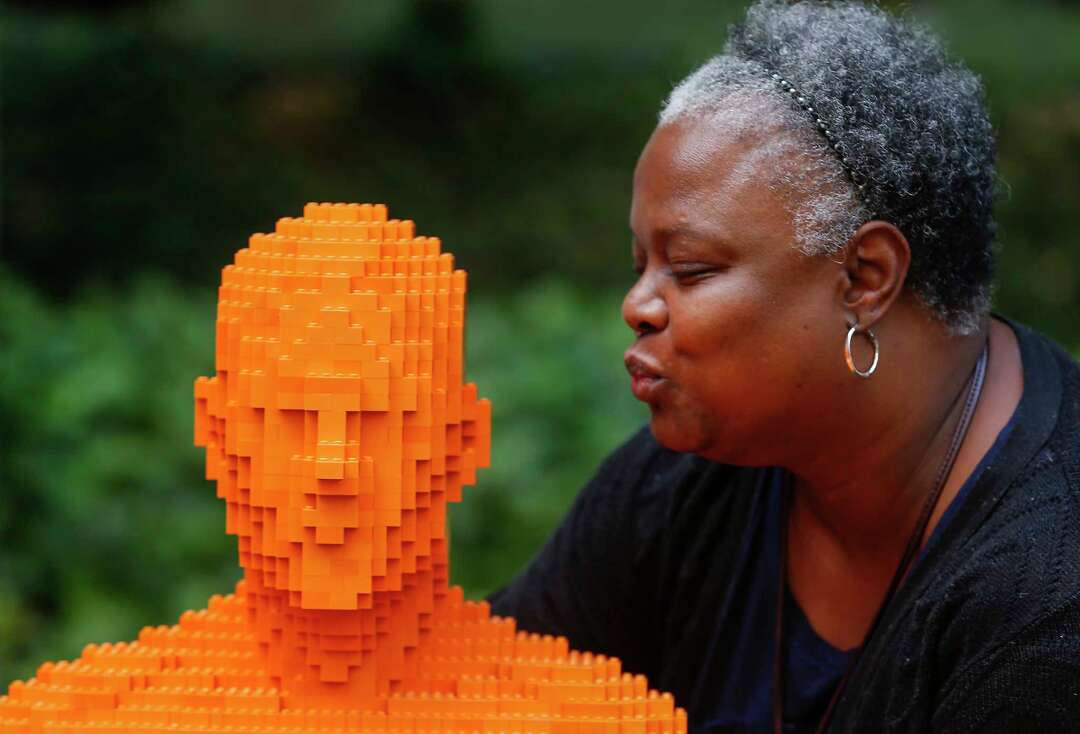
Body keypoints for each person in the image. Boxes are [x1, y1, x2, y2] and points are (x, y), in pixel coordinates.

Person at [488, 2, 1080, 732]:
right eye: (641, 263)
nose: (637, 304)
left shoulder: (1048, 606)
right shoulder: (682, 488)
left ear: (866, 278)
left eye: (691, 267)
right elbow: (486, 693)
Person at [0, 203, 687, 733]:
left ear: (461, 442)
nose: (334, 466)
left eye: (378, 419)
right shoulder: (80, 716)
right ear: (219, 436)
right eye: (293, 419)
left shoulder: (598, 719)